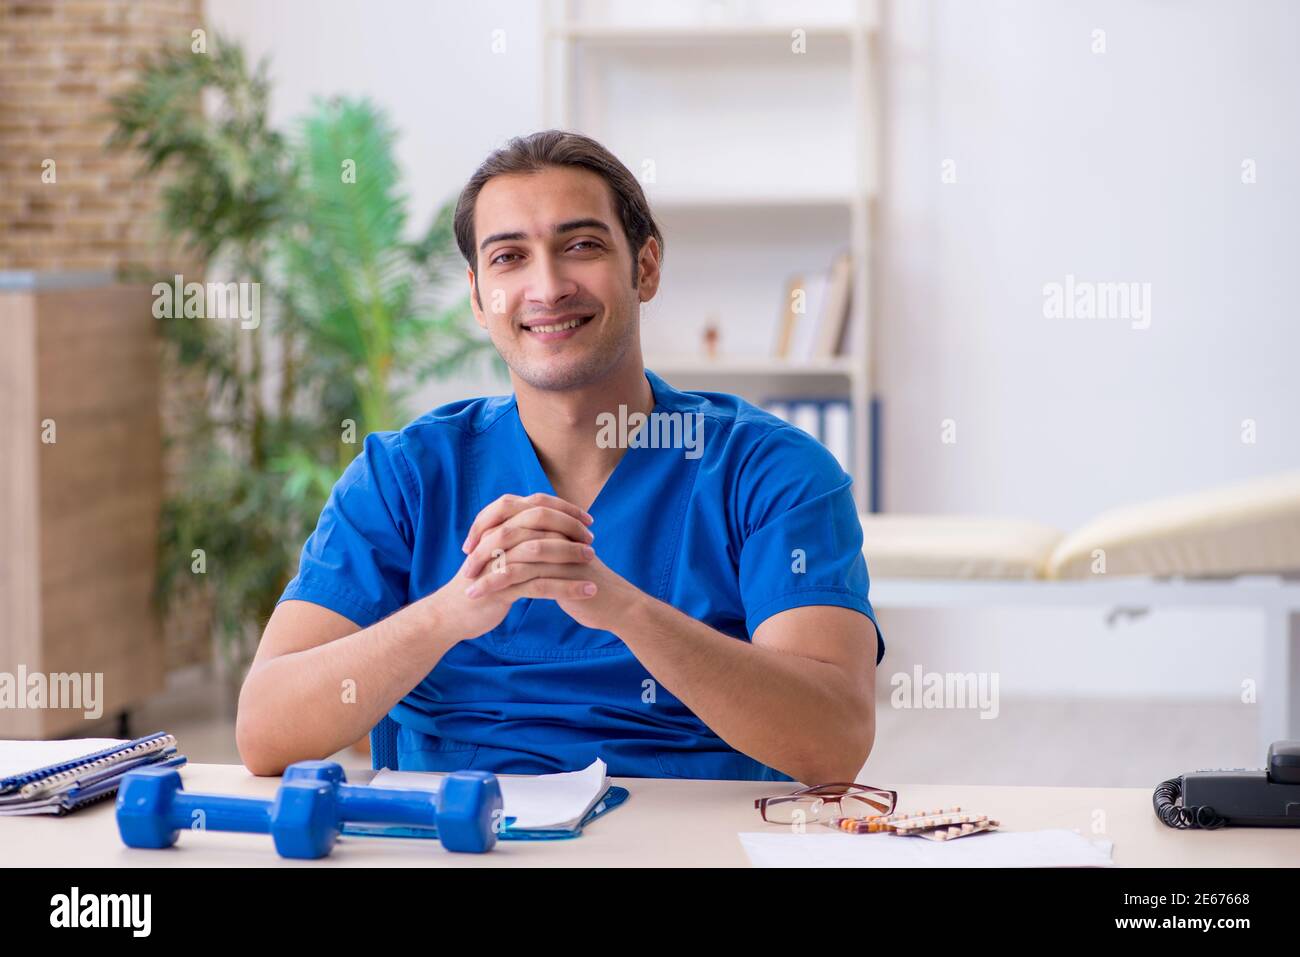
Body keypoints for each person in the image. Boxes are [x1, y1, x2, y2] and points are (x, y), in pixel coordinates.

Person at [236, 130, 885, 782]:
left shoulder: (771, 474)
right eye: (509, 257)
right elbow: (265, 732)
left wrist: (617, 605)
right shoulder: (403, 479)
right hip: (459, 845)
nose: (546, 287)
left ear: (646, 267)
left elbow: (834, 742)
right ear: (477, 296)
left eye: (581, 246)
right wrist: (450, 611)